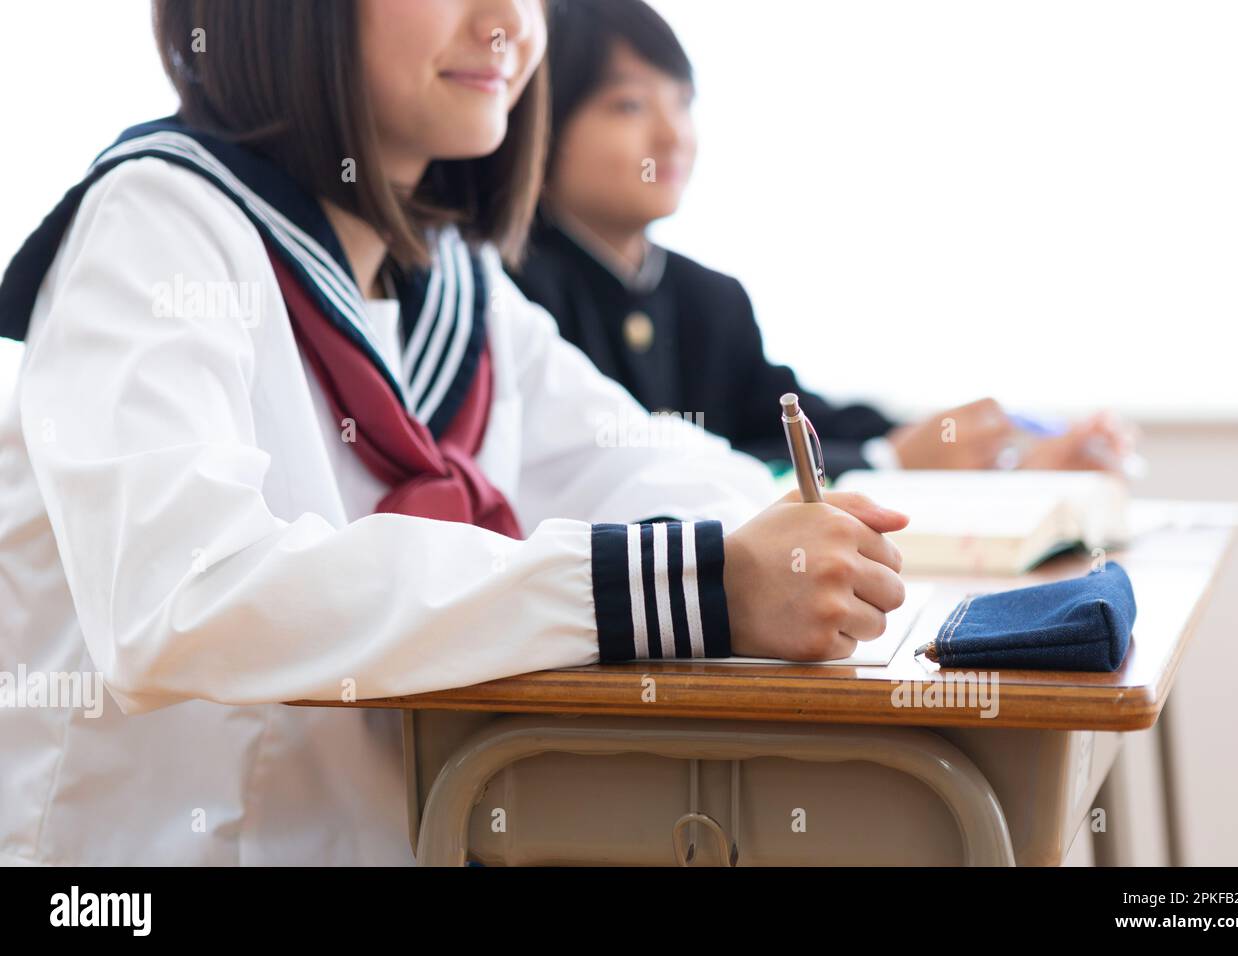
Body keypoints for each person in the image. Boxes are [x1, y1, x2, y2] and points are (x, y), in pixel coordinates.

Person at [0, 0, 908, 864]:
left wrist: (810, 540)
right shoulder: (158, 224)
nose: (509, 23)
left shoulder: (453, 279)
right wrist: (699, 585)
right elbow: (183, 601)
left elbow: (640, 464)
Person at [511, 0, 1133, 479]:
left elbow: (797, 419)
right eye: (629, 106)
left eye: (684, 101)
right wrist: (886, 461)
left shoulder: (709, 297)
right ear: (540, 120)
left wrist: (1001, 449)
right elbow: (654, 474)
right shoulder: (513, 291)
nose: (673, 135)